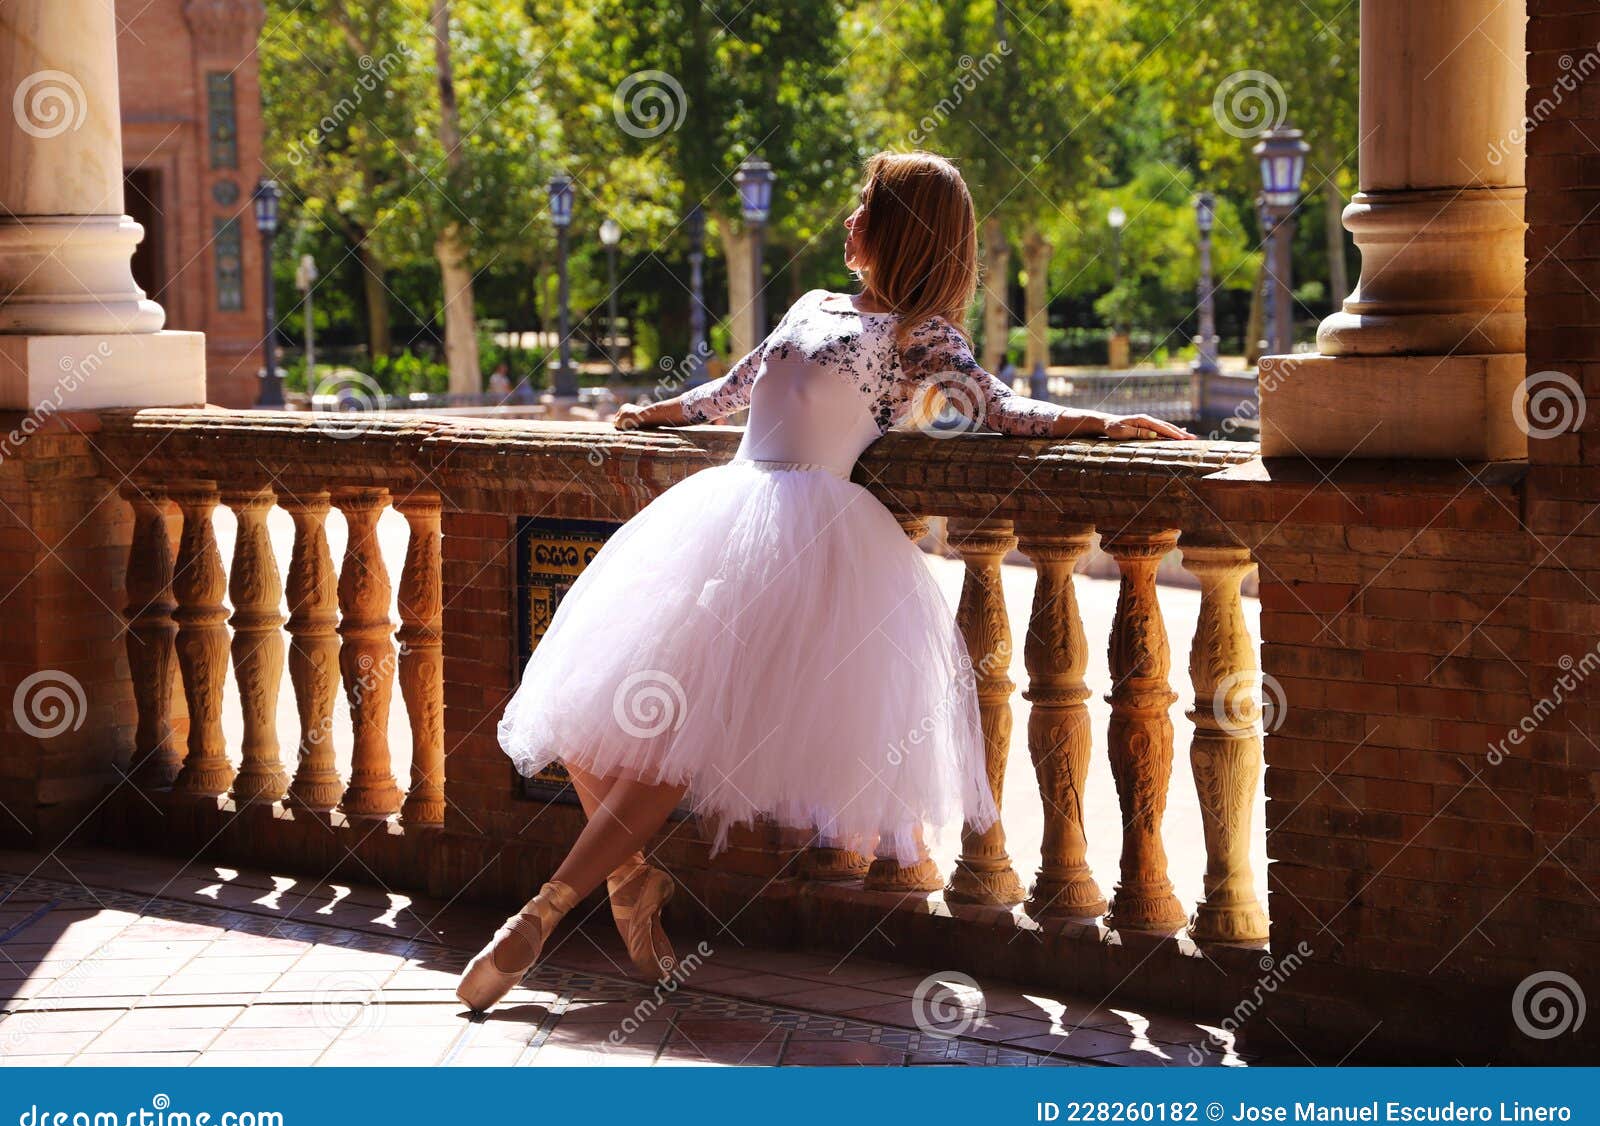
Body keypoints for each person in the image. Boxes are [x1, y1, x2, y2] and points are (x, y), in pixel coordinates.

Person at [457, 150, 1190, 1013]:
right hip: (717, 516)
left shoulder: (923, 336)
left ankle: (539, 915)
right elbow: (735, 388)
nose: (848, 219)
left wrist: (1099, 422)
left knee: (669, 731)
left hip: (802, 551)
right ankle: (627, 881)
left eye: (865, 206)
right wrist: (657, 410)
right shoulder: (810, 303)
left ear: (899, 231)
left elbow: (998, 407)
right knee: (592, 716)